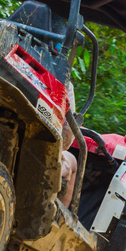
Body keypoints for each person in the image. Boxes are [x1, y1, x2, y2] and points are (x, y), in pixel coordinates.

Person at [58, 81, 78, 209]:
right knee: (73, 162)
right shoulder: (64, 82)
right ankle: (58, 217)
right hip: (41, 151)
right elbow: (67, 133)